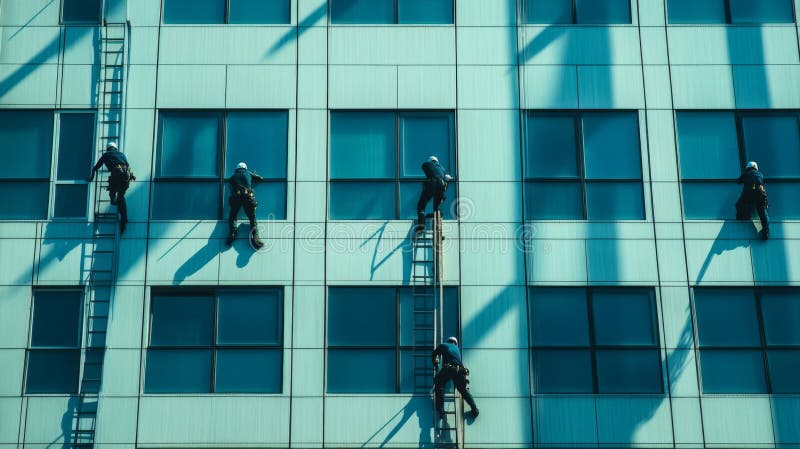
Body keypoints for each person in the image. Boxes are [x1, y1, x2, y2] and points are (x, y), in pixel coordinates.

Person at [88, 142, 134, 234]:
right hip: (126, 176)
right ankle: (124, 221)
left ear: (108, 148)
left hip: (116, 174)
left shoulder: (106, 155)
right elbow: (128, 166)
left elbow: (95, 168)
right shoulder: (122, 154)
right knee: (121, 197)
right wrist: (132, 176)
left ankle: (115, 201)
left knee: (113, 196)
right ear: (115, 148)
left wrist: (91, 178)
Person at [431, 336, 478, 420]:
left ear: (448, 341)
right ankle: (474, 409)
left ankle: (441, 410)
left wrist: (435, 362)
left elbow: (434, 353)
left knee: (438, 382)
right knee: (463, 390)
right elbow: (460, 364)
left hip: (449, 368)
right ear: (455, 343)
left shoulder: (443, 345)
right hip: (459, 370)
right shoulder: (457, 350)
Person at [227, 162, 264, 248]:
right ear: (245, 168)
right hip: (248, 197)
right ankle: (255, 238)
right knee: (252, 218)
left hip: (236, 197)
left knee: (233, 216)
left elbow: (232, 183)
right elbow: (260, 178)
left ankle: (233, 233)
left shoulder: (232, 178)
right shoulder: (248, 173)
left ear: (237, 169)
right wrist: (253, 175)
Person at [416, 156, 454, 232]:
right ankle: (437, 225)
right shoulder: (442, 169)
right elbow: (448, 177)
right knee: (437, 206)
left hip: (432, 184)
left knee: (421, 204)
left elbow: (424, 167)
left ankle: (421, 225)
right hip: (441, 187)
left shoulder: (427, 164)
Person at [736, 161, 769, 240]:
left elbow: (738, 181)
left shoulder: (746, 174)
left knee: (739, 204)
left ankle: (741, 218)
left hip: (748, 193)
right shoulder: (760, 174)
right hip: (759, 194)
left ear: (748, 168)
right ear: (755, 167)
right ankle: (766, 232)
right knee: (763, 213)